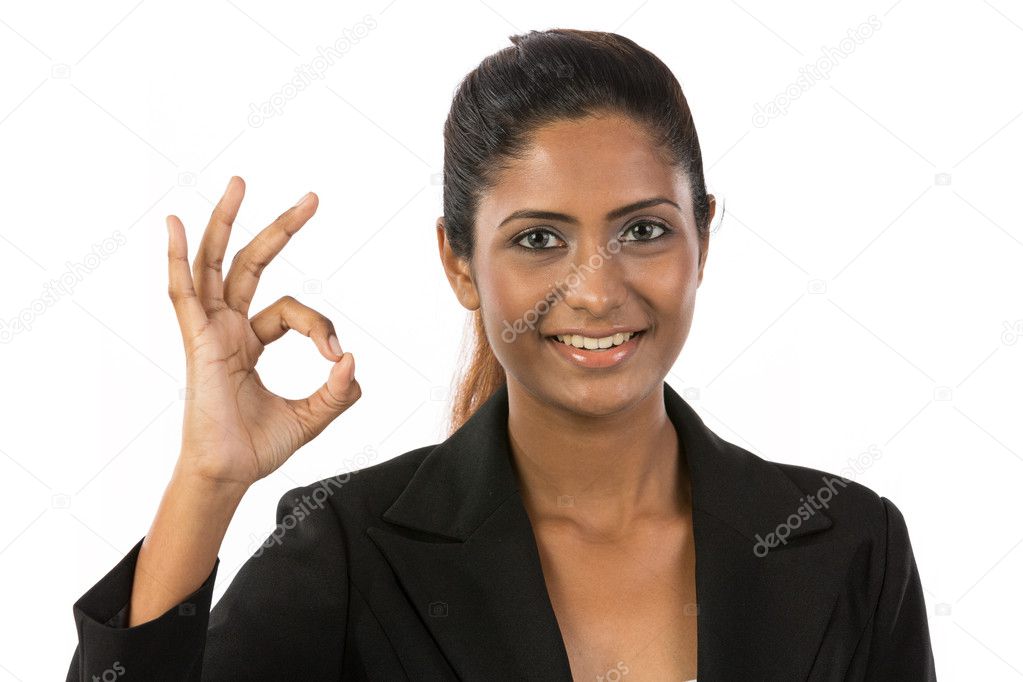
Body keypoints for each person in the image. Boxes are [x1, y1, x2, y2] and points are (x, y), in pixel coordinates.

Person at [65, 28, 936, 680]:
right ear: (458, 264)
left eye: (642, 229)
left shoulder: (851, 546)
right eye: (538, 240)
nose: (597, 291)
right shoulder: (349, 553)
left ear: (702, 239)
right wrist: (207, 482)